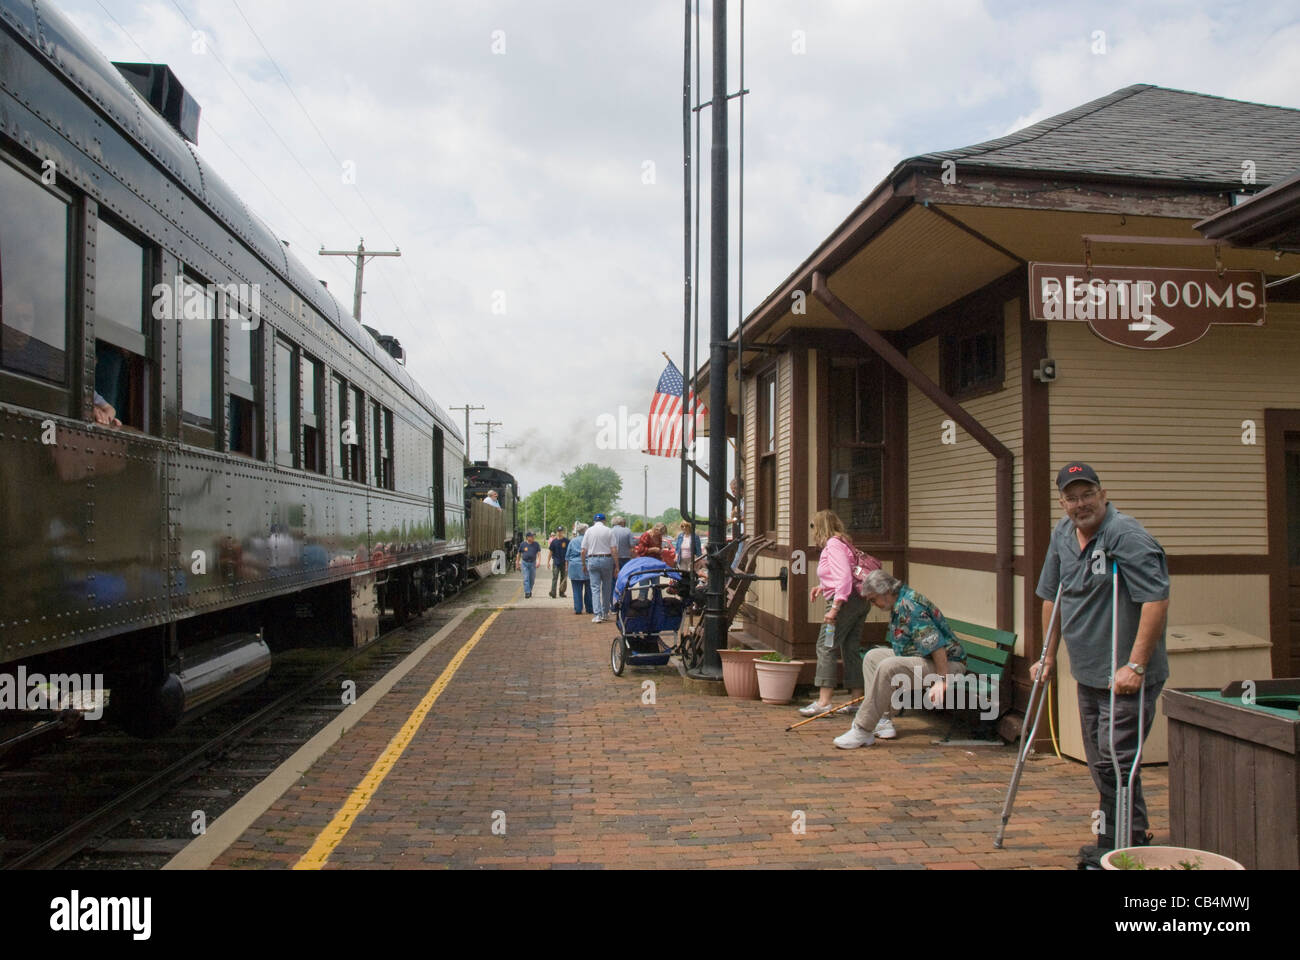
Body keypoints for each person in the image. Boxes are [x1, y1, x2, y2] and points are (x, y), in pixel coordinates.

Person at [1032, 462, 1169, 855]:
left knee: (1116, 760)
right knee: (1102, 762)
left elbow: (1155, 600)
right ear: (1062, 503)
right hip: (1088, 670)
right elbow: (1050, 597)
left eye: (1088, 494)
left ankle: (1115, 842)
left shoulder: (1126, 535)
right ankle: (1132, 833)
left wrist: (1136, 665)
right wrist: (1047, 655)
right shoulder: (1062, 534)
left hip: (1125, 674)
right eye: (1072, 497)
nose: (1081, 503)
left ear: (1103, 494)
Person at [832, 569, 968, 748]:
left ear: (886, 592)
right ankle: (883, 719)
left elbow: (937, 645)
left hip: (947, 665)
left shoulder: (910, 605)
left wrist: (942, 681)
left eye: (873, 599)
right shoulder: (898, 601)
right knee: (873, 657)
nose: (873, 604)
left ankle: (862, 729)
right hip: (923, 658)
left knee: (889, 667)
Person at [799, 509, 872, 720]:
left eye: (814, 527)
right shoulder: (844, 543)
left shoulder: (832, 545)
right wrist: (822, 586)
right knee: (850, 648)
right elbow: (839, 573)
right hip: (859, 602)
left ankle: (824, 700)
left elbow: (844, 578)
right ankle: (856, 699)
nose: (812, 532)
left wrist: (835, 608)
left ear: (820, 527)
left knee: (825, 646)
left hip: (844, 604)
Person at [581, 513, 619, 623]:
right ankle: (605, 613)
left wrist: (583, 564)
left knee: (595, 588)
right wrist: (617, 566)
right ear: (604, 521)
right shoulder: (609, 531)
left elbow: (583, 550)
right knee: (606, 587)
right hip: (606, 559)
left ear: (594, 521)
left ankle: (597, 614)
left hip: (592, 559)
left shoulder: (588, 531)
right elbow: (613, 549)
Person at [566, 523, 593, 615]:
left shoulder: (572, 541)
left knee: (576, 589)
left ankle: (578, 609)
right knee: (589, 589)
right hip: (587, 565)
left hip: (574, 567)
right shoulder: (589, 541)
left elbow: (567, 556)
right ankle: (589, 608)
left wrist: (567, 568)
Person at [517, 531, 541, 598]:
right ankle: (527, 592)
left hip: (533, 563)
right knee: (526, 578)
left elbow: (539, 553)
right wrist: (517, 563)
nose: (533, 537)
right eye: (532, 536)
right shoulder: (523, 544)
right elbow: (518, 554)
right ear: (527, 537)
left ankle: (529, 590)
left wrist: (539, 562)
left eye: (533, 536)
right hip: (524, 563)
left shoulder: (536, 544)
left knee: (532, 579)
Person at [548, 526, 569, 598]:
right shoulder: (554, 541)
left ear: (563, 532)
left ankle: (562, 592)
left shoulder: (566, 541)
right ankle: (553, 592)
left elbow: (569, 551)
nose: (560, 533)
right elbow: (550, 552)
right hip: (556, 562)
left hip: (564, 562)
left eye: (561, 531)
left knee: (563, 578)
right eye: (558, 531)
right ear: (557, 532)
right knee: (555, 577)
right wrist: (548, 562)